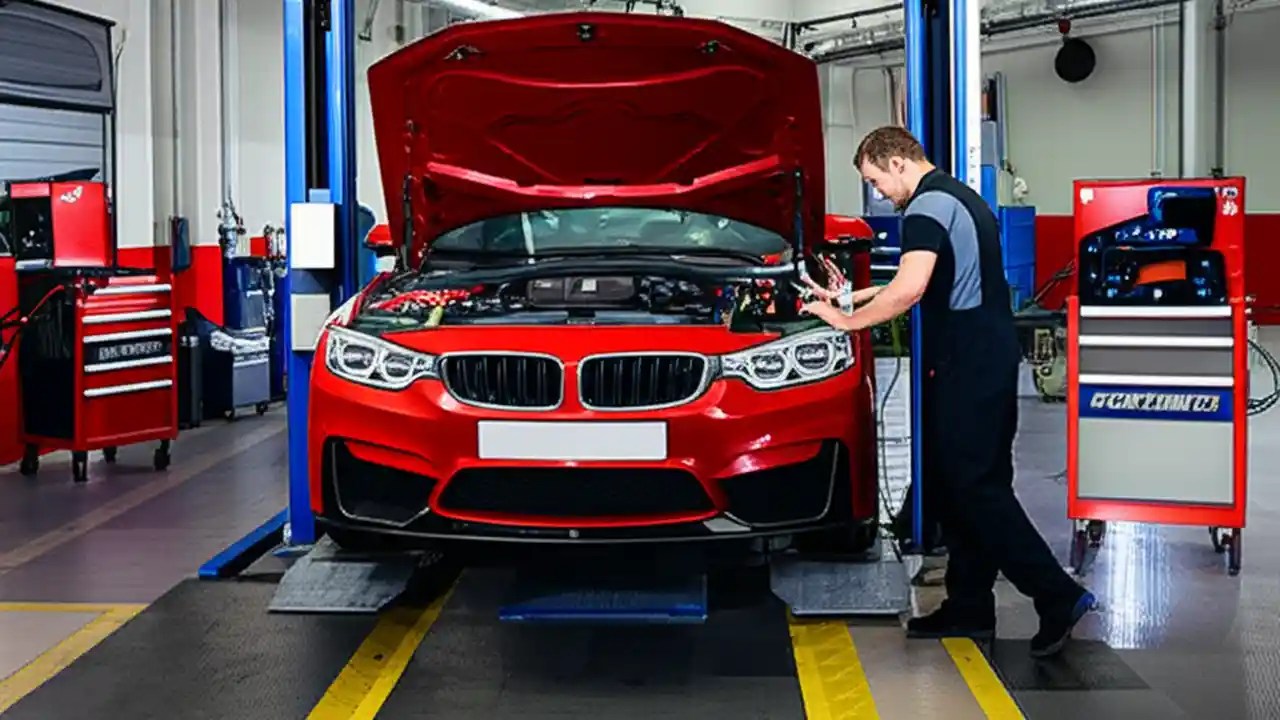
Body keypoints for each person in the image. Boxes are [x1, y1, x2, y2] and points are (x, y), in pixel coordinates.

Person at [800, 126, 1095, 659]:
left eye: (875, 181)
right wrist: (848, 294)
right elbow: (929, 274)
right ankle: (970, 604)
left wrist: (849, 323)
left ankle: (1057, 594)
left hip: (969, 366)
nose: (879, 194)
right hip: (982, 359)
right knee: (956, 484)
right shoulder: (958, 198)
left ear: (896, 164)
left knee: (977, 489)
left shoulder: (926, 208)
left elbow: (911, 288)